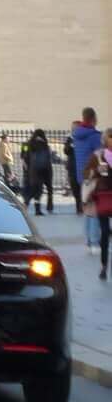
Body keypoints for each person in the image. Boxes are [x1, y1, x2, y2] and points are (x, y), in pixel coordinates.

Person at [71, 109, 103, 249]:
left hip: (81, 176)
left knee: (88, 209)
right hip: (94, 175)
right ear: (93, 118)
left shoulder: (77, 135)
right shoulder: (94, 136)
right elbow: (102, 156)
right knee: (95, 209)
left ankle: (89, 240)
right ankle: (95, 242)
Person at [84, 128, 112, 280]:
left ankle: (104, 266)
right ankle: (104, 266)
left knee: (106, 233)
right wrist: (96, 170)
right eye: (110, 138)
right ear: (105, 140)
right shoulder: (98, 155)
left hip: (104, 196)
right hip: (104, 197)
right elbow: (86, 172)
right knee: (105, 233)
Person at [23, 129, 55, 214]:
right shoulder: (45, 144)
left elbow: (24, 156)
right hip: (46, 169)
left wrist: (27, 169)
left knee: (35, 189)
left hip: (34, 170)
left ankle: (28, 204)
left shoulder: (28, 144)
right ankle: (48, 207)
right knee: (48, 189)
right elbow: (49, 157)